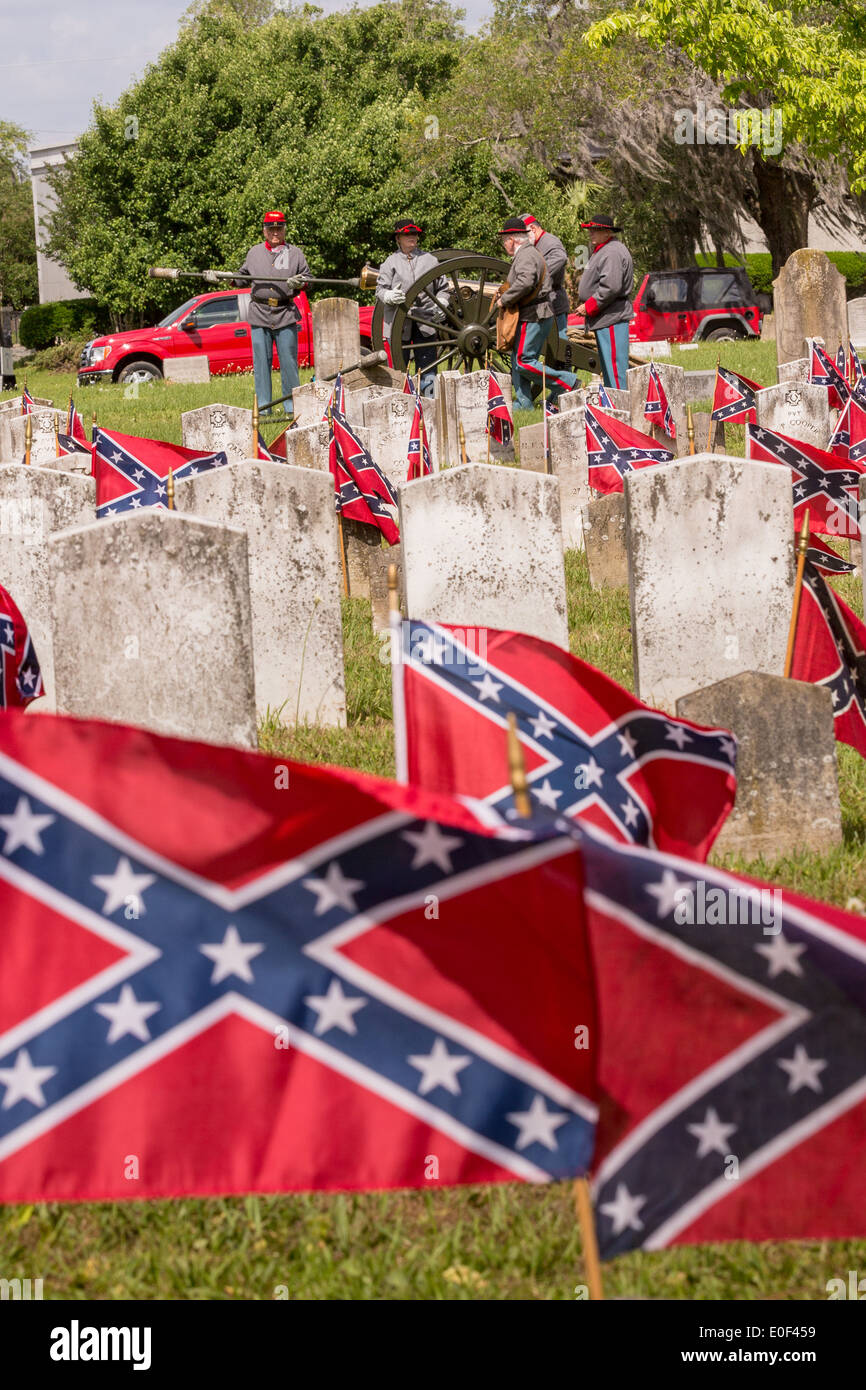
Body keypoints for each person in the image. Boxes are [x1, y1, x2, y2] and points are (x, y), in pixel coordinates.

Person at [495, 217, 579, 411]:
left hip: (534, 314)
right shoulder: (529, 252)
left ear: (513, 239)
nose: (503, 244)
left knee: (523, 362)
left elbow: (525, 282)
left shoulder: (525, 255)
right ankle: (524, 404)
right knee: (518, 362)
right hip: (532, 313)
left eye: (504, 240)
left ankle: (567, 381)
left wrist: (505, 299)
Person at [234, 211, 310, 417]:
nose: (275, 232)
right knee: (261, 363)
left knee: (289, 363)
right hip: (259, 313)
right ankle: (264, 408)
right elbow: (241, 277)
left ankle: (292, 407)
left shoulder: (295, 253)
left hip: (285, 312)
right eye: (271, 228)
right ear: (264, 231)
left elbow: (308, 278)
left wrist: (301, 282)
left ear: (284, 230)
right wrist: (224, 277)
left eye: (279, 228)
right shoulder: (254, 253)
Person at [375, 220, 447, 397]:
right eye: (408, 234)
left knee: (428, 366)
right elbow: (380, 290)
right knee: (399, 370)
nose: (412, 237)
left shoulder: (430, 260)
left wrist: (442, 303)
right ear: (398, 238)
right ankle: (402, 400)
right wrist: (388, 296)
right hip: (399, 322)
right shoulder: (389, 262)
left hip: (426, 320)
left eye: (415, 234)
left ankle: (429, 399)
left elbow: (443, 288)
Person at [576, 214, 634, 391]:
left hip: (612, 316)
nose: (591, 233)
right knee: (610, 369)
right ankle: (614, 407)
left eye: (596, 230)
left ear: (607, 232)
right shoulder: (603, 249)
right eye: (590, 229)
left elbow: (611, 287)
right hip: (606, 317)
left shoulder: (612, 251)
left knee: (616, 370)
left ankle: (621, 410)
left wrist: (589, 306)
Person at [521, 214, 570, 336]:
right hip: (542, 304)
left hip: (554, 304)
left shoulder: (549, 241)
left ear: (532, 228)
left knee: (561, 347)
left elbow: (560, 258)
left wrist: (535, 276)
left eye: (523, 235)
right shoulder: (535, 244)